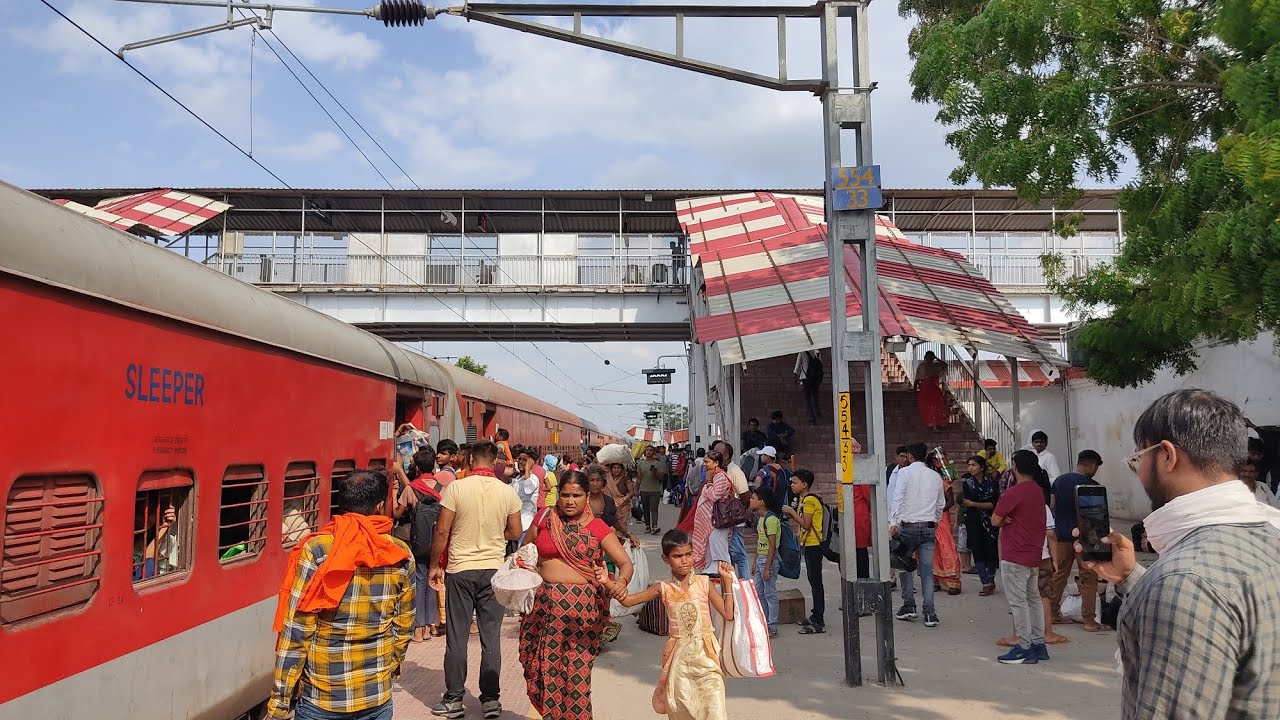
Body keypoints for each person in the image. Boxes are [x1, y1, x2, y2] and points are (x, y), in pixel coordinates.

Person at [1080, 389, 1280, 718]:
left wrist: (1168, 582)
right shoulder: (1269, 531)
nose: (1139, 473)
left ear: (1168, 456)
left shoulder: (1185, 582)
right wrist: (1132, 579)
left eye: (1138, 460)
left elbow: (1195, 590)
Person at [267, 469, 413, 720]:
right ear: (380, 506)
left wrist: (280, 702)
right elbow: (403, 628)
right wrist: (384, 674)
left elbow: (296, 631)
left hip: (322, 698)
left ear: (341, 504)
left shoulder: (317, 550)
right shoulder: (399, 553)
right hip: (375, 698)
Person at [519, 471, 634, 720]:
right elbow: (524, 553)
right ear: (557, 495)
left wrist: (621, 582)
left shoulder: (597, 527)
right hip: (543, 610)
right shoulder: (544, 519)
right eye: (565, 495)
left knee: (577, 672)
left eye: (577, 495)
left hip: (582, 614)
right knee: (541, 668)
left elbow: (625, 563)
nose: (570, 501)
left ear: (587, 496)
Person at [428, 441, 523, 720]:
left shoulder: (456, 488)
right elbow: (515, 530)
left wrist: (434, 564)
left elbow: (443, 530)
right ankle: (491, 700)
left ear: (469, 459)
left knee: (457, 637)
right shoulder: (507, 492)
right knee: (490, 636)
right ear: (495, 462)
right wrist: (494, 535)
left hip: (460, 569)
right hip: (493, 570)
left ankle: (454, 699)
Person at [610, 531, 734, 720]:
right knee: (682, 708)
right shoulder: (663, 588)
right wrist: (607, 583)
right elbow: (628, 601)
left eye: (689, 554)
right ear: (665, 559)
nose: (684, 561)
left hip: (707, 657)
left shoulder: (704, 583)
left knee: (714, 707)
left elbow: (728, 613)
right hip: (679, 660)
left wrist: (727, 582)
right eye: (677, 556)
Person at [991, 449, 1050, 664]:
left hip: (1015, 553)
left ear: (1015, 468)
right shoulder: (1038, 490)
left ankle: (1024, 646)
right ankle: (1038, 643)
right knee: (1033, 600)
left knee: (1019, 603)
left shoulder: (1015, 492)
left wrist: (1005, 520)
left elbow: (995, 519)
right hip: (1033, 553)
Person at [1047, 449, 1105, 630]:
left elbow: (1052, 506)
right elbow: (1098, 517)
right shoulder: (1092, 485)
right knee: (1089, 577)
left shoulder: (1059, 481)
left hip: (1061, 535)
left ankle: (1053, 613)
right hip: (1085, 538)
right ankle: (1089, 620)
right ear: (1092, 465)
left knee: (1058, 575)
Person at [890, 443, 945, 627]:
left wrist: (894, 523)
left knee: (905, 566)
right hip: (928, 526)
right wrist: (935, 519)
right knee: (927, 571)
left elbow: (897, 498)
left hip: (908, 527)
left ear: (911, 456)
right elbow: (940, 503)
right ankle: (930, 613)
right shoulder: (935, 476)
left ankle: (909, 605)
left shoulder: (904, 473)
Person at [393, 449, 444, 642]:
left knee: (420, 580)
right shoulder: (443, 488)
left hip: (418, 542)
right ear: (433, 466)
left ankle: (418, 629)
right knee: (433, 581)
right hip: (437, 542)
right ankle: (431, 626)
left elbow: (398, 514)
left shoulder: (411, 488)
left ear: (416, 467)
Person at [782, 469, 826, 634]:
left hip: (814, 545)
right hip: (808, 544)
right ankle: (815, 615)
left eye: (795, 482)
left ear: (804, 484)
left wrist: (792, 513)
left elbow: (807, 524)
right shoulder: (803, 499)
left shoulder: (809, 501)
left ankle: (818, 621)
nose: (792, 485)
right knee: (813, 582)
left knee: (816, 583)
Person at [961, 455, 1000, 595]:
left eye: (973, 465)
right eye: (969, 465)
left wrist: (975, 504)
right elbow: (966, 503)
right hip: (974, 521)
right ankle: (986, 582)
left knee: (991, 550)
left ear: (982, 467)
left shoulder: (992, 483)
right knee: (977, 550)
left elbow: (993, 504)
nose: (970, 468)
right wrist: (977, 505)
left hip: (990, 521)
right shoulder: (967, 483)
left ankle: (991, 578)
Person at [712, 440, 751, 580]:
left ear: (726, 456)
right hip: (726, 521)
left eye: (717, 452)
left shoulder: (735, 471)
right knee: (730, 554)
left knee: (738, 553)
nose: (714, 454)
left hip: (734, 520)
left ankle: (745, 584)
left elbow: (745, 496)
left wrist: (735, 512)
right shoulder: (721, 471)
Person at [690, 451, 734, 575]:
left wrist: (709, 482)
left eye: (707, 462)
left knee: (720, 553)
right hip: (710, 523)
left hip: (717, 522)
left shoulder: (720, 477)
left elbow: (714, 496)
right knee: (708, 552)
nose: (704, 464)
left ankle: (726, 580)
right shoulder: (714, 476)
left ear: (716, 463)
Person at [750, 486, 783, 637]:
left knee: (770, 594)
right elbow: (759, 542)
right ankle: (764, 621)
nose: (750, 500)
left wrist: (767, 568)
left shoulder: (771, 520)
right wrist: (755, 562)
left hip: (768, 561)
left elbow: (772, 546)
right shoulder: (761, 518)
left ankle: (772, 626)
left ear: (761, 502)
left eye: (753, 498)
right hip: (761, 561)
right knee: (759, 592)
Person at [928, 451, 963, 595]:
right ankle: (936, 580)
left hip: (941, 517)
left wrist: (937, 510)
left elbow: (950, 501)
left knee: (946, 547)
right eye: (936, 460)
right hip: (928, 516)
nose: (938, 461)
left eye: (940, 459)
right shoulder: (927, 478)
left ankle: (953, 582)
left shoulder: (944, 479)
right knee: (932, 549)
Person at [637, 445, 668, 535]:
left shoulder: (658, 464)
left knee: (654, 508)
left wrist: (655, 472)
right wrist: (636, 489)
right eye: (647, 450)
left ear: (654, 452)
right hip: (644, 489)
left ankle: (654, 526)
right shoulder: (641, 464)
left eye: (651, 450)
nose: (649, 452)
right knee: (645, 509)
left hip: (655, 490)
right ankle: (647, 526)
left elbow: (661, 478)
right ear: (644, 452)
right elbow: (639, 478)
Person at [914, 351, 948, 430]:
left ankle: (939, 423)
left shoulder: (936, 366)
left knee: (938, 405)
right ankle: (931, 424)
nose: (930, 359)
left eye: (931, 357)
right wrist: (915, 389)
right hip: (926, 388)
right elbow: (917, 378)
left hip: (934, 387)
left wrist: (937, 359)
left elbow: (945, 365)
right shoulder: (922, 366)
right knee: (927, 407)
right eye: (928, 357)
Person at [801, 350, 824, 424]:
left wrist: (795, 375)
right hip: (815, 379)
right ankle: (817, 411)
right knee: (815, 396)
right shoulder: (817, 351)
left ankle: (812, 416)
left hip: (806, 378)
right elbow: (820, 364)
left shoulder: (802, 351)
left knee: (808, 398)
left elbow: (798, 364)